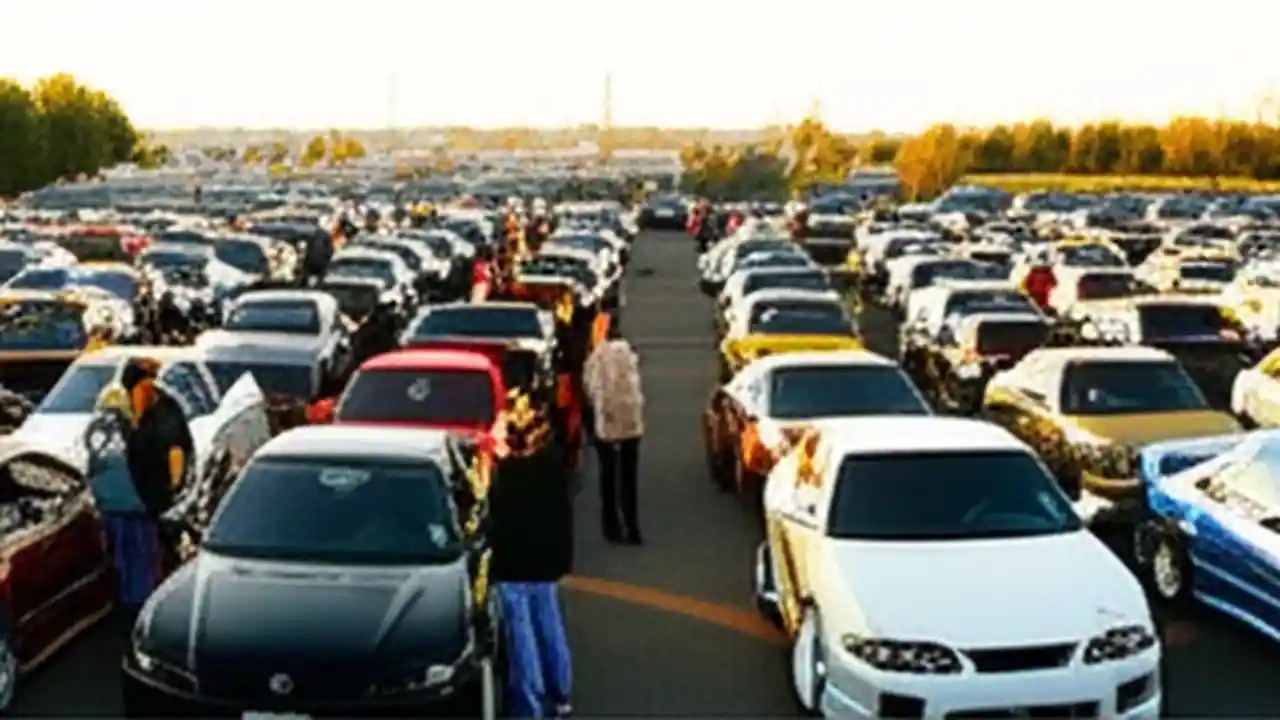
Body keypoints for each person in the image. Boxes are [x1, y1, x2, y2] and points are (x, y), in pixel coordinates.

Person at [489, 413, 574, 718]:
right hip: (546, 562)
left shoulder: (507, 474)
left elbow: (497, 520)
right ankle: (561, 692)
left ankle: (530, 702)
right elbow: (563, 518)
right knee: (550, 625)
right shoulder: (553, 469)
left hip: (513, 564)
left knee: (521, 636)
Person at [83, 384, 160, 607]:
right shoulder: (138, 427)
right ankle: (141, 601)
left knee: (116, 554)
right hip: (137, 505)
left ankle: (119, 597)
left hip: (107, 505)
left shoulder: (93, 429)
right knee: (141, 555)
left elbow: (89, 466)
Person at [120, 358, 195, 575]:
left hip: (162, 495)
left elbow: (176, 452)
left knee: (165, 552)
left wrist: (174, 488)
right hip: (144, 495)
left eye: (137, 389)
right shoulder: (138, 410)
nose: (134, 396)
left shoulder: (165, 412)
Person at [582, 322, 644, 544]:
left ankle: (612, 527)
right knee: (629, 478)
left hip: (607, 423)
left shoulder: (597, 357)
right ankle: (632, 526)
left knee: (608, 477)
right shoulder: (630, 355)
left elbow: (590, 387)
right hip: (631, 423)